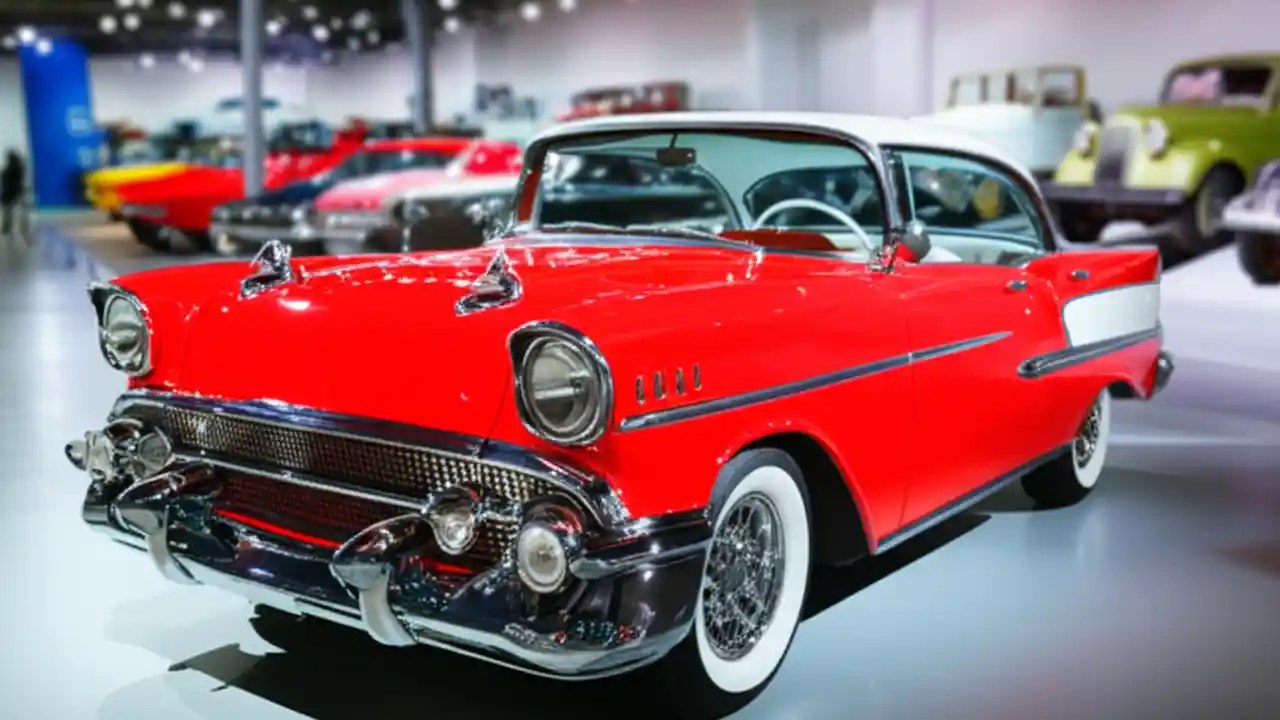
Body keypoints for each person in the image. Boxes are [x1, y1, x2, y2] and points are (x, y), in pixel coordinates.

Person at [1, 148, 26, 237]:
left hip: (8, 193)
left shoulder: (8, 170)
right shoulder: (19, 169)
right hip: (15, 193)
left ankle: (7, 229)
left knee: (8, 212)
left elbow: (5, 180)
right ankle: (19, 228)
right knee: (15, 212)